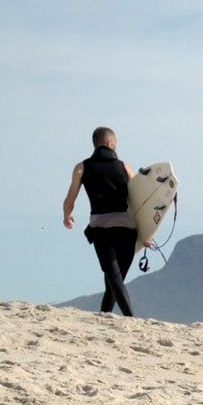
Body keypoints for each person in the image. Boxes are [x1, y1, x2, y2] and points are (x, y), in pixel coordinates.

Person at [63, 126, 139, 317]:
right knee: (115, 279)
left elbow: (71, 197)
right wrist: (148, 232)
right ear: (109, 143)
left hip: (101, 229)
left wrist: (67, 215)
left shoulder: (82, 167)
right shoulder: (126, 167)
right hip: (127, 229)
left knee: (113, 279)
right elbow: (142, 200)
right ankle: (118, 317)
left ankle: (126, 318)